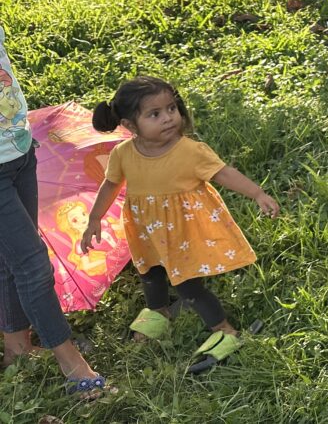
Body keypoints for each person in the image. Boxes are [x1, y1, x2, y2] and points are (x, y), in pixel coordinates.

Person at [81, 76, 279, 373]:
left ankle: (225, 329)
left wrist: (257, 193)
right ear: (130, 125)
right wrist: (95, 217)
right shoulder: (123, 154)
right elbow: (110, 185)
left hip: (182, 234)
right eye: (155, 114)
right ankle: (158, 312)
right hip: (148, 232)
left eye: (171, 108)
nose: (168, 118)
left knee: (188, 286)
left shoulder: (190, 151)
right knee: (150, 274)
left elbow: (224, 173)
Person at [0, 27, 112, 399]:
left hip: (19, 151)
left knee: (11, 261)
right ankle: (71, 363)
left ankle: (16, 348)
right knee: (33, 264)